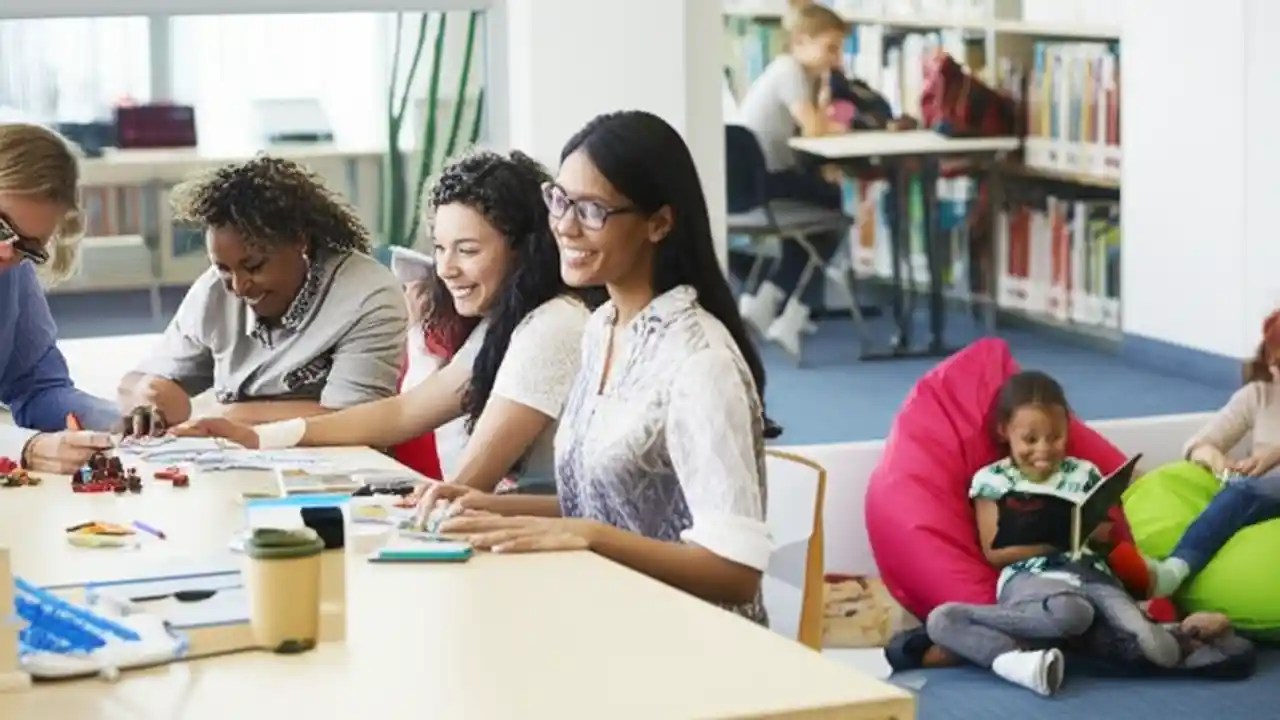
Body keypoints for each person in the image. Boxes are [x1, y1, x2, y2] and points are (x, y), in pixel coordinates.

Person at [424, 111, 773, 623]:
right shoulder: (602, 327)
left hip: (691, 647)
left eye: (592, 210)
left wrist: (588, 536)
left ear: (659, 222)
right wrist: (480, 504)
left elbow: (736, 571)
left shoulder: (700, 362)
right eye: (560, 200)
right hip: (606, 611)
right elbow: (600, 509)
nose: (564, 226)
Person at [171, 150, 592, 499]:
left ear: (523, 248)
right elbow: (404, 412)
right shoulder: (506, 324)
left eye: (466, 250)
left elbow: (465, 488)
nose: (446, 269)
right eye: (440, 248)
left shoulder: (552, 327)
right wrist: (257, 438)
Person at [921, 371, 1180, 695]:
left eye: (1055, 437)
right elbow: (994, 552)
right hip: (1031, 578)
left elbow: (1105, 535)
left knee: (1145, 638)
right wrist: (1051, 539)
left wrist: (1096, 530)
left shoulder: (1084, 472)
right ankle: (1003, 643)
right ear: (1005, 432)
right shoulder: (993, 480)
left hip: (1092, 575)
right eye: (1029, 440)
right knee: (1070, 613)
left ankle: (1027, 651)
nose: (1043, 450)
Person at [116, 155, 407, 432]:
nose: (240, 287)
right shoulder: (214, 291)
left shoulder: (368, 296)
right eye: (224, 269)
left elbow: (357, 420)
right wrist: (148, 400)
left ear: (300, 241)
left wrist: (226, 415)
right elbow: (139, 382)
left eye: (254, 266)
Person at [735, 3, 851, 353]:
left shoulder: (795, 73)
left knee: (817, 212)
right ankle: (792, 311)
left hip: (757, 183)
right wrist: (832, 115)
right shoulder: (789, 71)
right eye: (830, 48)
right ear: (800, 42)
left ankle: (767, 303)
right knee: (832, 212)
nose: (836, 58)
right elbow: (814, 127)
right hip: (763, 184)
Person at [0, 123, 116, 473]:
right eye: (1, 226)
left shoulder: (13, 271)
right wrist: (27, 447)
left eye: (26, 247)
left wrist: (124, 421)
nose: (6, 253)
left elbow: (37, 390)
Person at [1146, 311, 1280, 597]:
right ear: (1271, 363)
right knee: (1237, 491)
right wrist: (1221, 465)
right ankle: (1172, 574)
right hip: (1257, 499)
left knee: (1243, 492)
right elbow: (1199, 445)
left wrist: (1275, 454)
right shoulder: (1259, 396)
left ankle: (1176, 570)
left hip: (1259, 494)